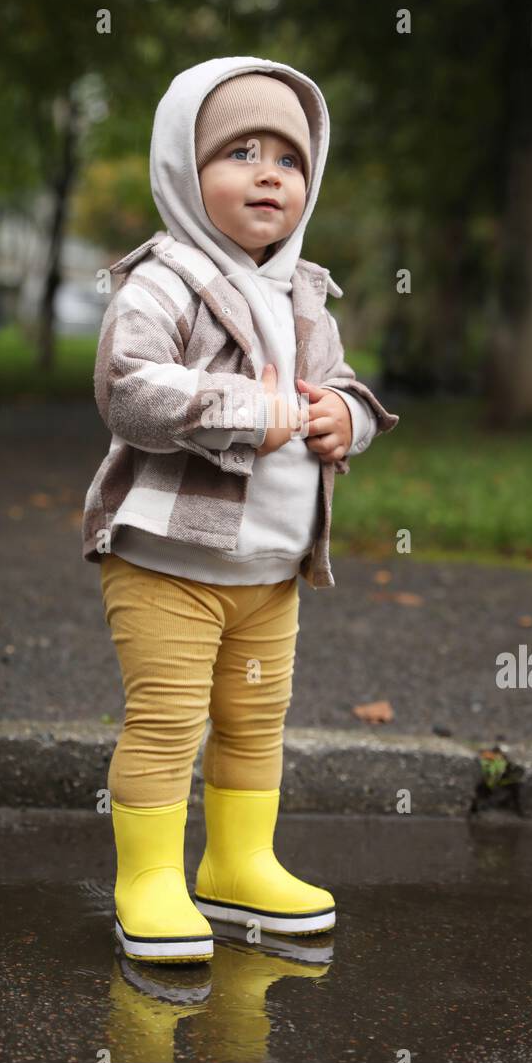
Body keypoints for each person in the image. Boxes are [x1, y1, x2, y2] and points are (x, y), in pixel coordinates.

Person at [82, 56, 399, 963]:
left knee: (258, 721)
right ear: (185, 167)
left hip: (270, 571)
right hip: (169, 562)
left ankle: (237, 861)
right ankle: (148, 878)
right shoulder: (164, 279)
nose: (269, 174)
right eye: (241, 152)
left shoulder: (306, 293)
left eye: (289, 160)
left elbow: (335, 384)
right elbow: (128, 389)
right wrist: (243, 412)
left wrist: (349, 418)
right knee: (168, 721)